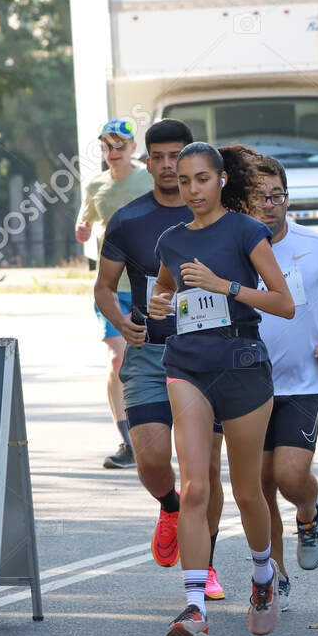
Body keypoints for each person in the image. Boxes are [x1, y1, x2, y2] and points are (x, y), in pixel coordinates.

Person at [147, 143, 296, 636]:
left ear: (221, 181)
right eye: (184, 180)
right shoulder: (170, 240)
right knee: (193, 488)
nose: (192, 189)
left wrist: (224, 286)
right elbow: (163, 293)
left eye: (202, 179)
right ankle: (192, 609)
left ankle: (261, 577)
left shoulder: (246, 231)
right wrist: (161, 305)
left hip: (242, 366)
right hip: (187, 366)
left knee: (248, 490)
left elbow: (284, 303)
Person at [97, 119, 225, 601]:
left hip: (206, 355)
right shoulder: (129, 220)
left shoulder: (220, 215)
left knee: (205, 470)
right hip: (150, 352)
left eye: (178, 156)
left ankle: (205, 563)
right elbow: (104, 288)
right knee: (150, 457)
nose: (170, 166)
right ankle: (169, 506)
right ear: (147, 162)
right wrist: (122, 322)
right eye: (160, 157)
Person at [254, 157, 318, 607]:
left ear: (287, 198)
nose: (269, 205)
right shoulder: (234, 247)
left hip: (302, 381)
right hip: (248, 384)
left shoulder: (316, 246)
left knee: (290, 475)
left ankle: (310, 513)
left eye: (276, 195)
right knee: (259, 485)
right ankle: (273, 574)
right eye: (258, 196)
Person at [77, 119, 154, 469]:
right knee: (118, 359)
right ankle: (129, 441)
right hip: (111, 287)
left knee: (159, 361)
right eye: (107, 146)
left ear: (132, 148)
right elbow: (86, 224)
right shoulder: (95, 185)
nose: (113, 153)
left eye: (119, 145)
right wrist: (82, 230)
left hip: (151, 284)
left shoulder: (149, 179)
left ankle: (166, 433)